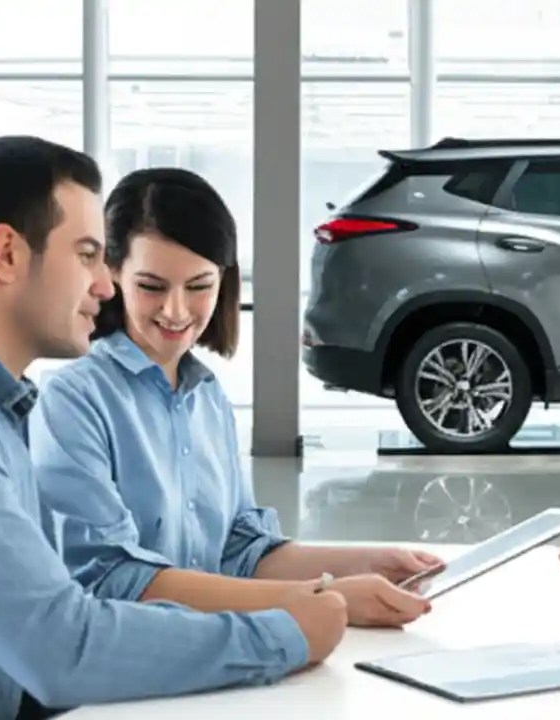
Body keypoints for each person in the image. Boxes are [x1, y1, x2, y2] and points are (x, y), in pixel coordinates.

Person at [0, 136, 349, 720]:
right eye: (87, 255)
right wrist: (281, 633)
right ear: (7, 254)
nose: (105, 287)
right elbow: (61, 645)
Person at [28, 167, 439, 628]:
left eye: (200, 286)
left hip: (210, 655)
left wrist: (370, 563)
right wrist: (323, 597)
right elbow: (109, 579)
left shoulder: (207, 399)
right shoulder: (73, 401)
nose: (176, 311)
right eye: (152, 286)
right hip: (124, 670)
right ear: (113, 273)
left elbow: (241, 552)